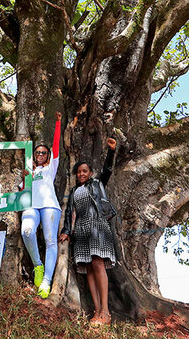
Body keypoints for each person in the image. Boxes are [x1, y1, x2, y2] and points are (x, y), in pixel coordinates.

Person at [59, 136, 118, 325]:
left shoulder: (97, 184)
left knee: (98, 265)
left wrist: (111, 151)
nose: (81, 174)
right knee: (90, 269)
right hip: (82, 230)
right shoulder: (75, 191)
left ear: (90, 173)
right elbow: (70, 213)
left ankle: (106, 312)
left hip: (98, 226)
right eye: (79, 172)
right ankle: (97, 311)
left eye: (85, 171)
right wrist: (67, 231)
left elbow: (108, 170)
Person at [20, 112, 62, 298]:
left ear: (47, 156)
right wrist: (23, 178)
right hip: (31, 205)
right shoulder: (29, 171)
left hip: (50, 205)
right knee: (26, 231)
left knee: (50, 241)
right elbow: (21, 191)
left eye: (43, 153)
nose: (40, 155)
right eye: (37, 152)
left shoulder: (50, 168)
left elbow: (56, 147)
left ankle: (46, 281)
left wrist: (58, 124)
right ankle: (38, 265)